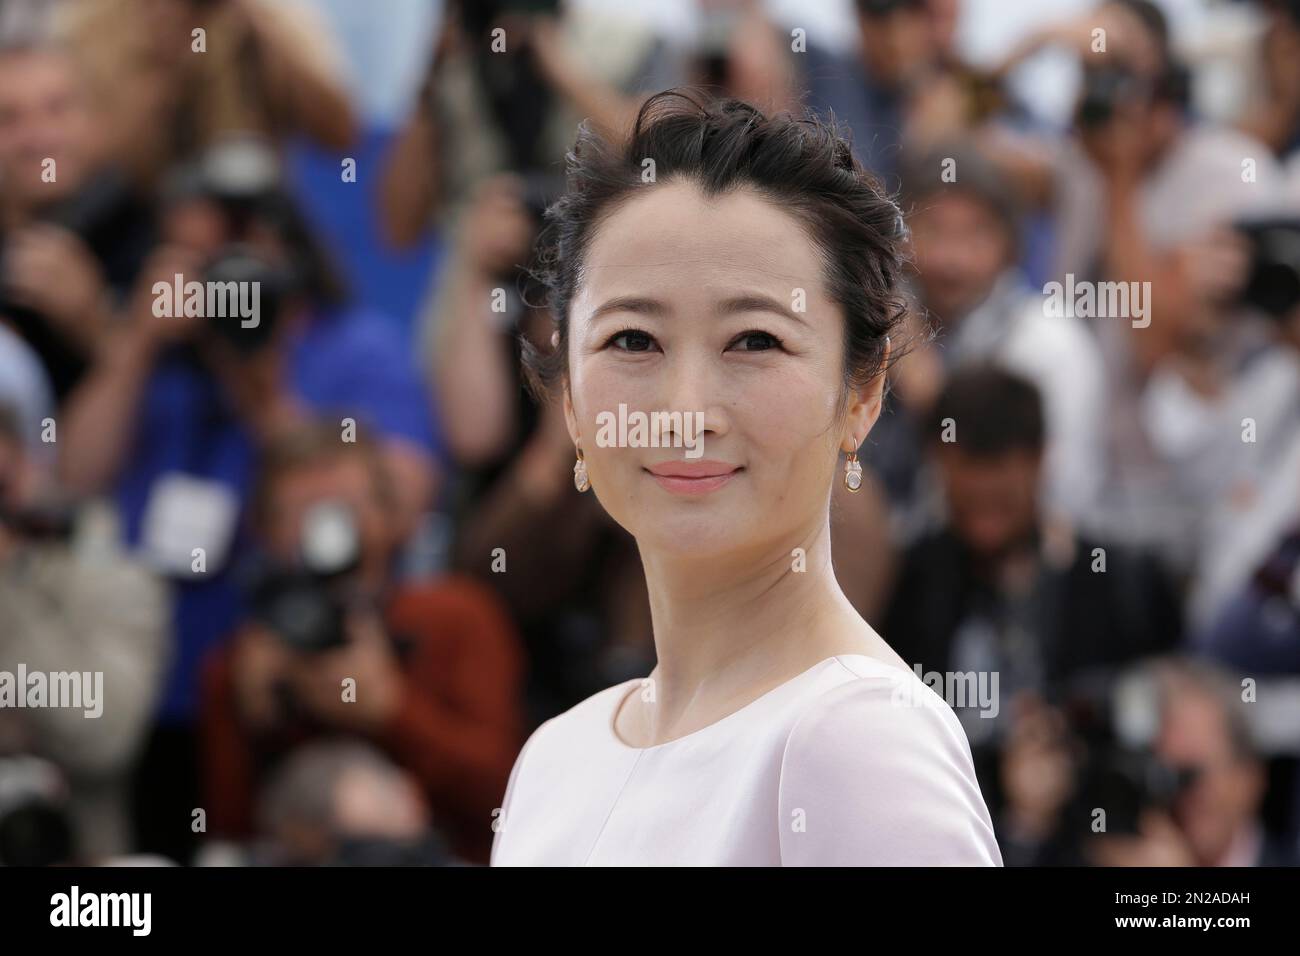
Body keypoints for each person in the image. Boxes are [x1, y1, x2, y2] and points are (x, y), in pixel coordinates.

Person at [489, 89, 1001, 866]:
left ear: (861, 394)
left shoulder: (856, 742)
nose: (686, 409)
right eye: (633, 338)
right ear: (568, 393)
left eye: (754, 341)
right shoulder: (553, 760)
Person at [200, 421, 524, 866]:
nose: (326, 533)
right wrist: (247, 716)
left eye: (345, 509)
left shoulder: (453, 618)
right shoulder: (245, 660)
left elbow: (509, 796)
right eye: (299, 512)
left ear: (392, 518)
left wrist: (392, 711)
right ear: (264, 531)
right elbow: (226, 836)